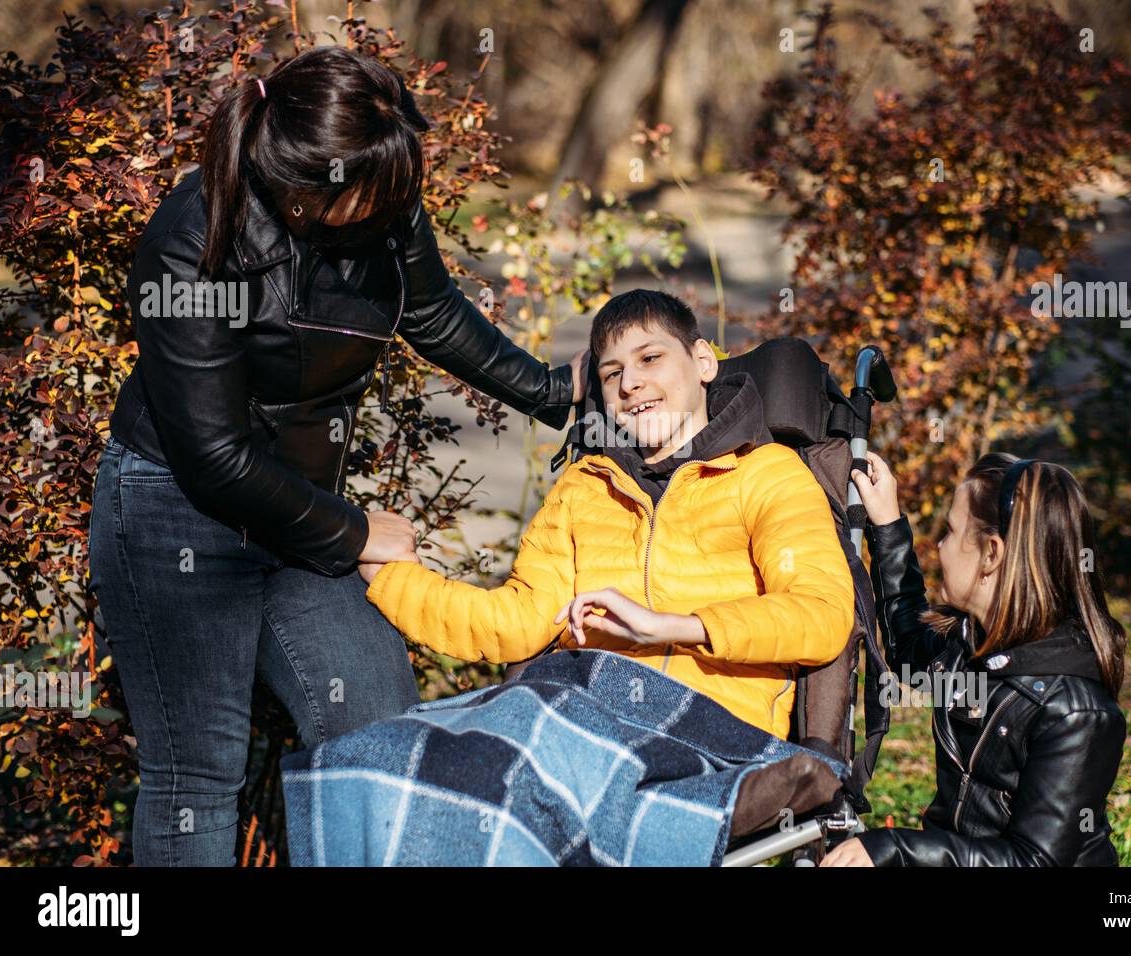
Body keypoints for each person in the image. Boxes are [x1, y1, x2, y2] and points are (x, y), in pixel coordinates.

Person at [87, 45, 586, 866]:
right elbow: (213, 456)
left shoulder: (383, 198)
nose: (398, 205)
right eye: (377, 192)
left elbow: (432, 314)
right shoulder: (192, 238)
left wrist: (554, 393)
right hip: (178, 508)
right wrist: (355, 533)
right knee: (199, 772)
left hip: (299, 516)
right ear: (304, 189)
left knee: (378, 728)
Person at [280, 289, 857, 866]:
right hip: (579, 713)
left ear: (703, 363)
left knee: (504, 767)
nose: (630, 383)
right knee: (382, 758)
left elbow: (821, 616)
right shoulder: (584, 490)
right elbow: (516, 623)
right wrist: (395, 575)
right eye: (612, 373)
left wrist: (672, 627)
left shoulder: (768, 475)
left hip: (710, 730)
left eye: (650, 358)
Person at [820, 451, 1128, 866]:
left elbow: (1033, 862)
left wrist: (896, 849)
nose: (940, 546)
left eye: (949, 532)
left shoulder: (1075, 711)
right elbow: (910, 653)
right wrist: (888, 526)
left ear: (991, 554)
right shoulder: (972, 647)